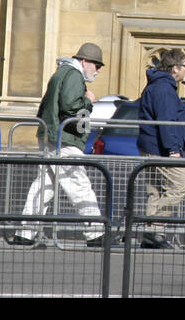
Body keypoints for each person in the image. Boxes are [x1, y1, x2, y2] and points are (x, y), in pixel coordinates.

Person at [9, 43, 110, 247]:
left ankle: (25, 234)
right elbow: (71, 106)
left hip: (49, 136)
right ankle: (96, 235)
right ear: (84, 61)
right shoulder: (73, 75)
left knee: (44, 185)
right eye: (96, 65)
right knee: (79, 184)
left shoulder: (61, 72)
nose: (98, 70)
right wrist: (88, 101)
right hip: (64, 139)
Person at [137, 48, 185, 250]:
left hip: (151, 146)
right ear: (176, 68)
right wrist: (173, 150)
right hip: (160, 149)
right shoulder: (164, 88)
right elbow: (167, 122)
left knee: (156, 192)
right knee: (179, 187)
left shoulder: (158, 85)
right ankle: (153, 229)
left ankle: (152, 236)